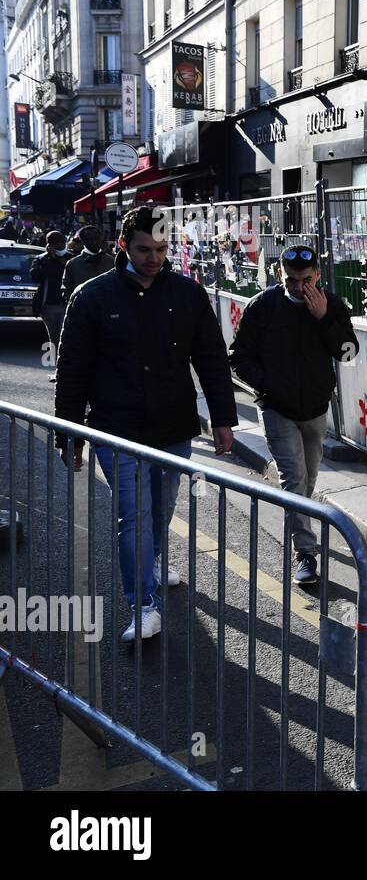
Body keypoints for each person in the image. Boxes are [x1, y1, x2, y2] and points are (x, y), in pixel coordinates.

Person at [55, 206, 237, 642]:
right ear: (123, 246)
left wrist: (223, 420)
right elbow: (72, 370)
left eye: (160, 249)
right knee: (133, 517)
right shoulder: (91, 297)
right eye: (144, 250)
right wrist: (70, 434)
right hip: (116, 429)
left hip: (173, 427)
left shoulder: (188, 294)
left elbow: (211, 359)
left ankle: (153, 563)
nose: (154, 258)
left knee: (162, 508)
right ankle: (144, 605)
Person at [228, 244, 358, 586]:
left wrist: (324, 318)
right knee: (294, 479)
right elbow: (238, 356)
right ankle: (305, 553)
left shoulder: (332, 305)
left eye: (307, 279)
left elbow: (348, 352)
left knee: (308, 478)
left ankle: (303, 527)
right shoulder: (262, 307)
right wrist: (268, 385)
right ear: (278, 276)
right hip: (276, 409)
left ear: (317, 274)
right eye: (292, 280)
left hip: (315, 409)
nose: (300, 287)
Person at [30, 231, 72, 382]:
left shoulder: (71, 257)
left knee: (65, 337)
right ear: (49, 245)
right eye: (55, 243)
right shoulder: (41, 259)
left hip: (67, 304)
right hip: (48, 305)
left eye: (61, 243)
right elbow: (36, 275)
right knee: (53, 339)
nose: (60, 246)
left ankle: (68, 370)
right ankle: (58, 370)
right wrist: (50, 258)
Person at [61, 226, 115, 302]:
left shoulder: (112, 261)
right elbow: (66, 289)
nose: (94, 242)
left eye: (97, 238)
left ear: (101, 239)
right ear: (82, 241)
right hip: (83, 310)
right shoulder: (73, 263)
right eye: (89, 239)